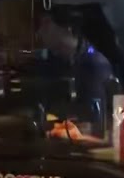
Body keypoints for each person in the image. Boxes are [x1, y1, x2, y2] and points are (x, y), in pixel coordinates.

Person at [36, 11, 114, 142]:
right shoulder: (54, 62)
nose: (40, 32)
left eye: (47, 24)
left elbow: (95, 119)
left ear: (68, 28)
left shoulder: (94, 64)